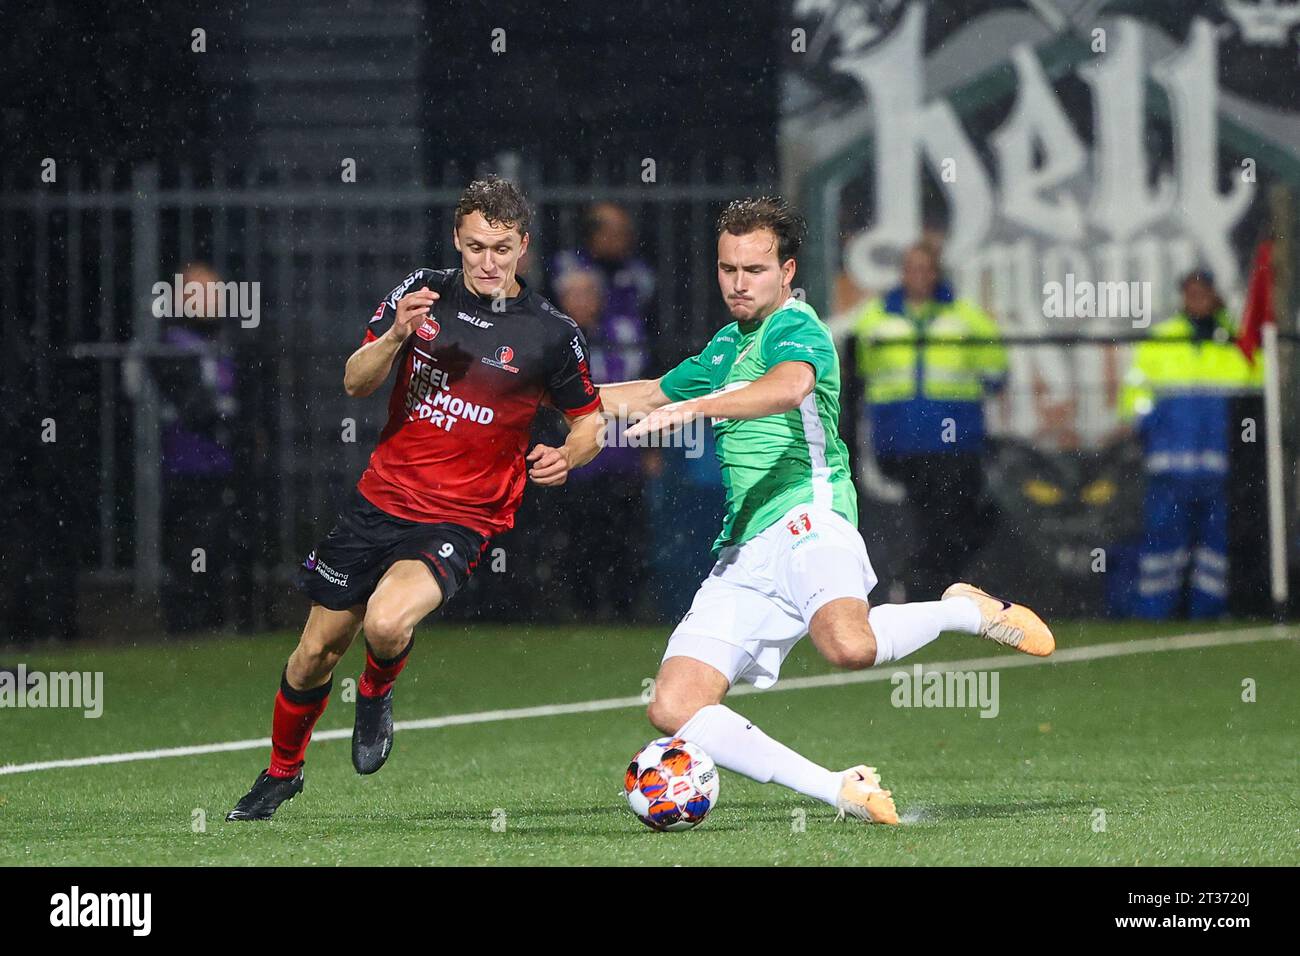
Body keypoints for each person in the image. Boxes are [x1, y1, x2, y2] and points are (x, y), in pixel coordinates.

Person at [600, 197, 1054, 825]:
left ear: (786, 272)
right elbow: (647, 393)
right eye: (727, 268)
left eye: (753, 269)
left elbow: (789, 386)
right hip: (744, 546)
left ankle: (960, 610)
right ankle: (838, 787)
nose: (738, 282)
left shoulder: (797, 327)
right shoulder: (726, 346)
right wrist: (558, 400)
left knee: (848, 646)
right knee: (673, 706)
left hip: (809, 516)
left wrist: (700, 409)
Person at [227, 178, 606, 821]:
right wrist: (395, 337)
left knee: (385, 621)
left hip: (463, 516)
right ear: (458, 240)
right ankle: (282, 773)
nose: (489, 262)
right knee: (314, 652)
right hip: (379, 502)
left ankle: (375, 692)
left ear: (524, 247)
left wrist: (565, 455)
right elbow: (355, 381)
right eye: (477, 247)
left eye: (503, 249)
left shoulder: (549, 332)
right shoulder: (421, 293)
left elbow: (590, 421)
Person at [852, 243, 1008, 599]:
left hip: (957, 441)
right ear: (902, 273)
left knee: (958, 518)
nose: (918, 276)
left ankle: (920, 583)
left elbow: (997, 372)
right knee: (934, 518)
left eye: (925, 268)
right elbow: (854, 372)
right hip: (901, 442)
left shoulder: (966, 317)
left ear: (936, 273)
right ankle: (924, 584)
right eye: (911, 268)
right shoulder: (875, 318)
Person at [1118, 270, 1264, 619]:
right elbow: (1133, 396)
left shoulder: (1235, 343)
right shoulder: (1162, 339)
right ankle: (1154, 614)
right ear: (1182, 296)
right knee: (1163, 544)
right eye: (1190, 292)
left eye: (1203, 292)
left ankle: (1208, 613)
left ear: (1215, 295)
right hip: (1168, 466)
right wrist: (1149, 422)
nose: (1196, 299)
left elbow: (1259, 395)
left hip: (1220, 468)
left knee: (1215, 548)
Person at [152, 262, 239, 634]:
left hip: (220, 464)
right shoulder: (174, 345)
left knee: (218, 545)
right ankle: (186, 622)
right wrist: (222, 416)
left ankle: (214, 618)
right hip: (186, 465)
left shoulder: (220, 344)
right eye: (200, 293)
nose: (212, 301)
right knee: (190, 545)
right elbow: (196, 407)